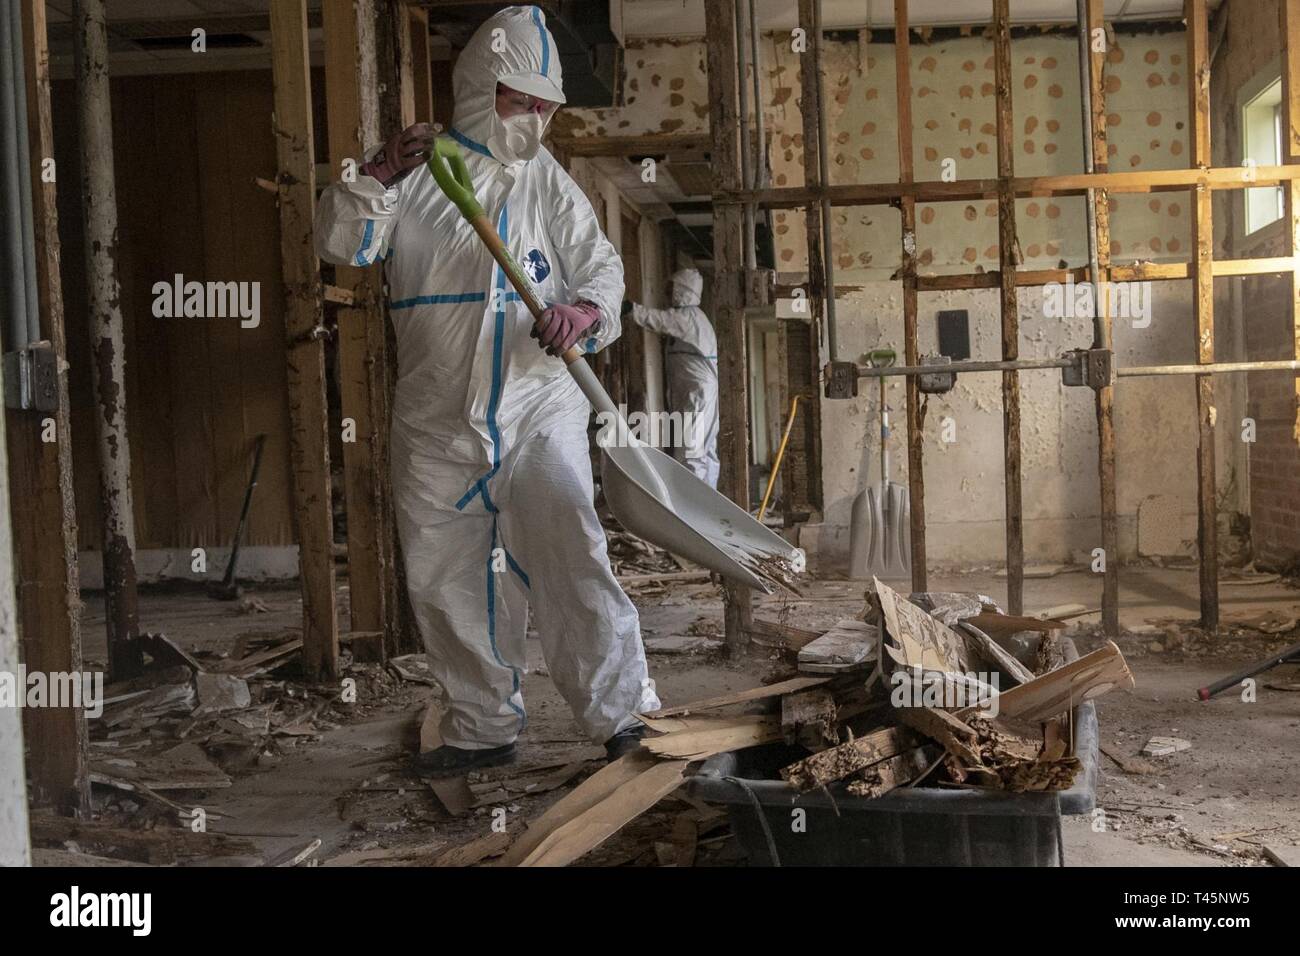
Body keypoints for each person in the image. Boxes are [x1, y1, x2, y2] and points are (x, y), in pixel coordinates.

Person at [314, 6, 659, 776]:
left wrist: (586, 313)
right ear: (479, 88)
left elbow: (604, 271)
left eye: (545, 105)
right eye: (518, 99)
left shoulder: (551, 185)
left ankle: (624, 718)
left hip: (540, 407)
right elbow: (344, 243)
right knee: (446, 579)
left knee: (573, 557)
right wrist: (377, 174)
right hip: (436, 419)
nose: (533, 117)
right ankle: (480, 730)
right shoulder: (418, 173)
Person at [623, 269, 720, 488]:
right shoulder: (696, 318)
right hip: (701, 393)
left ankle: (692, 506)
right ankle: (709, 504)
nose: (666, 293)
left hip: (696, 395)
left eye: (671, 288)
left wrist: (630, 309)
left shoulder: (688, 318)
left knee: (690, 449)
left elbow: (658, 320)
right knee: (705, 449)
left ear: (682, 291)